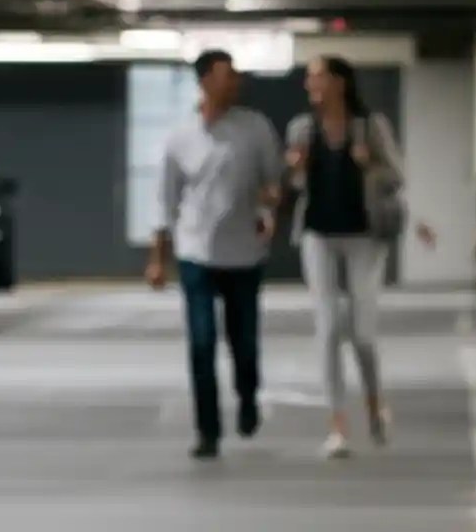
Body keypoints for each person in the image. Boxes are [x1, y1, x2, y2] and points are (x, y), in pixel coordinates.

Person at [285, 55, 435, 459]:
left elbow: (397, 175)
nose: (310, 84)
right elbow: (297, 183)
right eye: (309, 78)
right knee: (329, 328)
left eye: (317, 76)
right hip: (318, 234)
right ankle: (338, 425)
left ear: (339, 82)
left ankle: (374, 403)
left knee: (363, 333)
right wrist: (295, 168)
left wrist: (368, 166)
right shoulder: (302, 128)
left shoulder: (372, 126)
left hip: (364, 236)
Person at [146, 49, 283, 460]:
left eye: (236, 76)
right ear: (204, 81)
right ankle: (207, 430)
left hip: (244, 253)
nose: (234, 83)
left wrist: (269, 208)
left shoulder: (254, 128)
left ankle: (247, 397)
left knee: (243, 342)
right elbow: (165, 203)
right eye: (226, 76)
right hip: (196, 253)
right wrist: (158, 259)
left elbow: (272, 182)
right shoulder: (180, 136)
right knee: (202, 343)